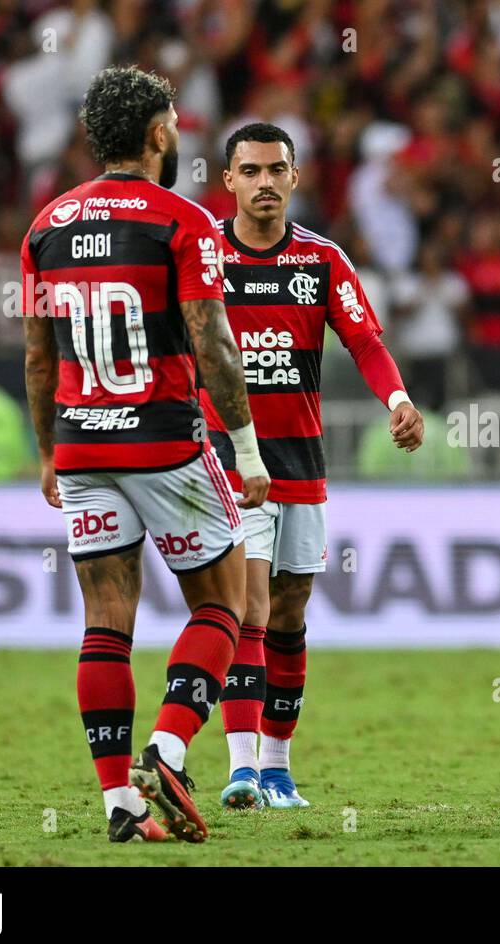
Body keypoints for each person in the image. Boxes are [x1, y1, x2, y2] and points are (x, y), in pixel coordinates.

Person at [21, 67, 270, 844]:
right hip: (164, 443)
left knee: (105, 624)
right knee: (225, 604)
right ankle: (164, 750)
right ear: (158, 133)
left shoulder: (44, 227)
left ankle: (116, 805)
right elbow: (214, 343)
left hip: (82, 443)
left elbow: (36, 357)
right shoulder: (181, 221)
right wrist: (248, 449)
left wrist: (49, 454)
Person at [205, 122, 423, 811]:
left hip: (302, 461)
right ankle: (240, 769)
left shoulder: (322, 261)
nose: (264, 182)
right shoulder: (204, 256)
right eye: (251, 170)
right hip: (233, 462)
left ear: (295, 178)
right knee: (250, 610)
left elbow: (363, 338)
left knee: (291, 618)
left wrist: (397, 397)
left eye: (277, 170)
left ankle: (276, 767)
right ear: (229, 179)